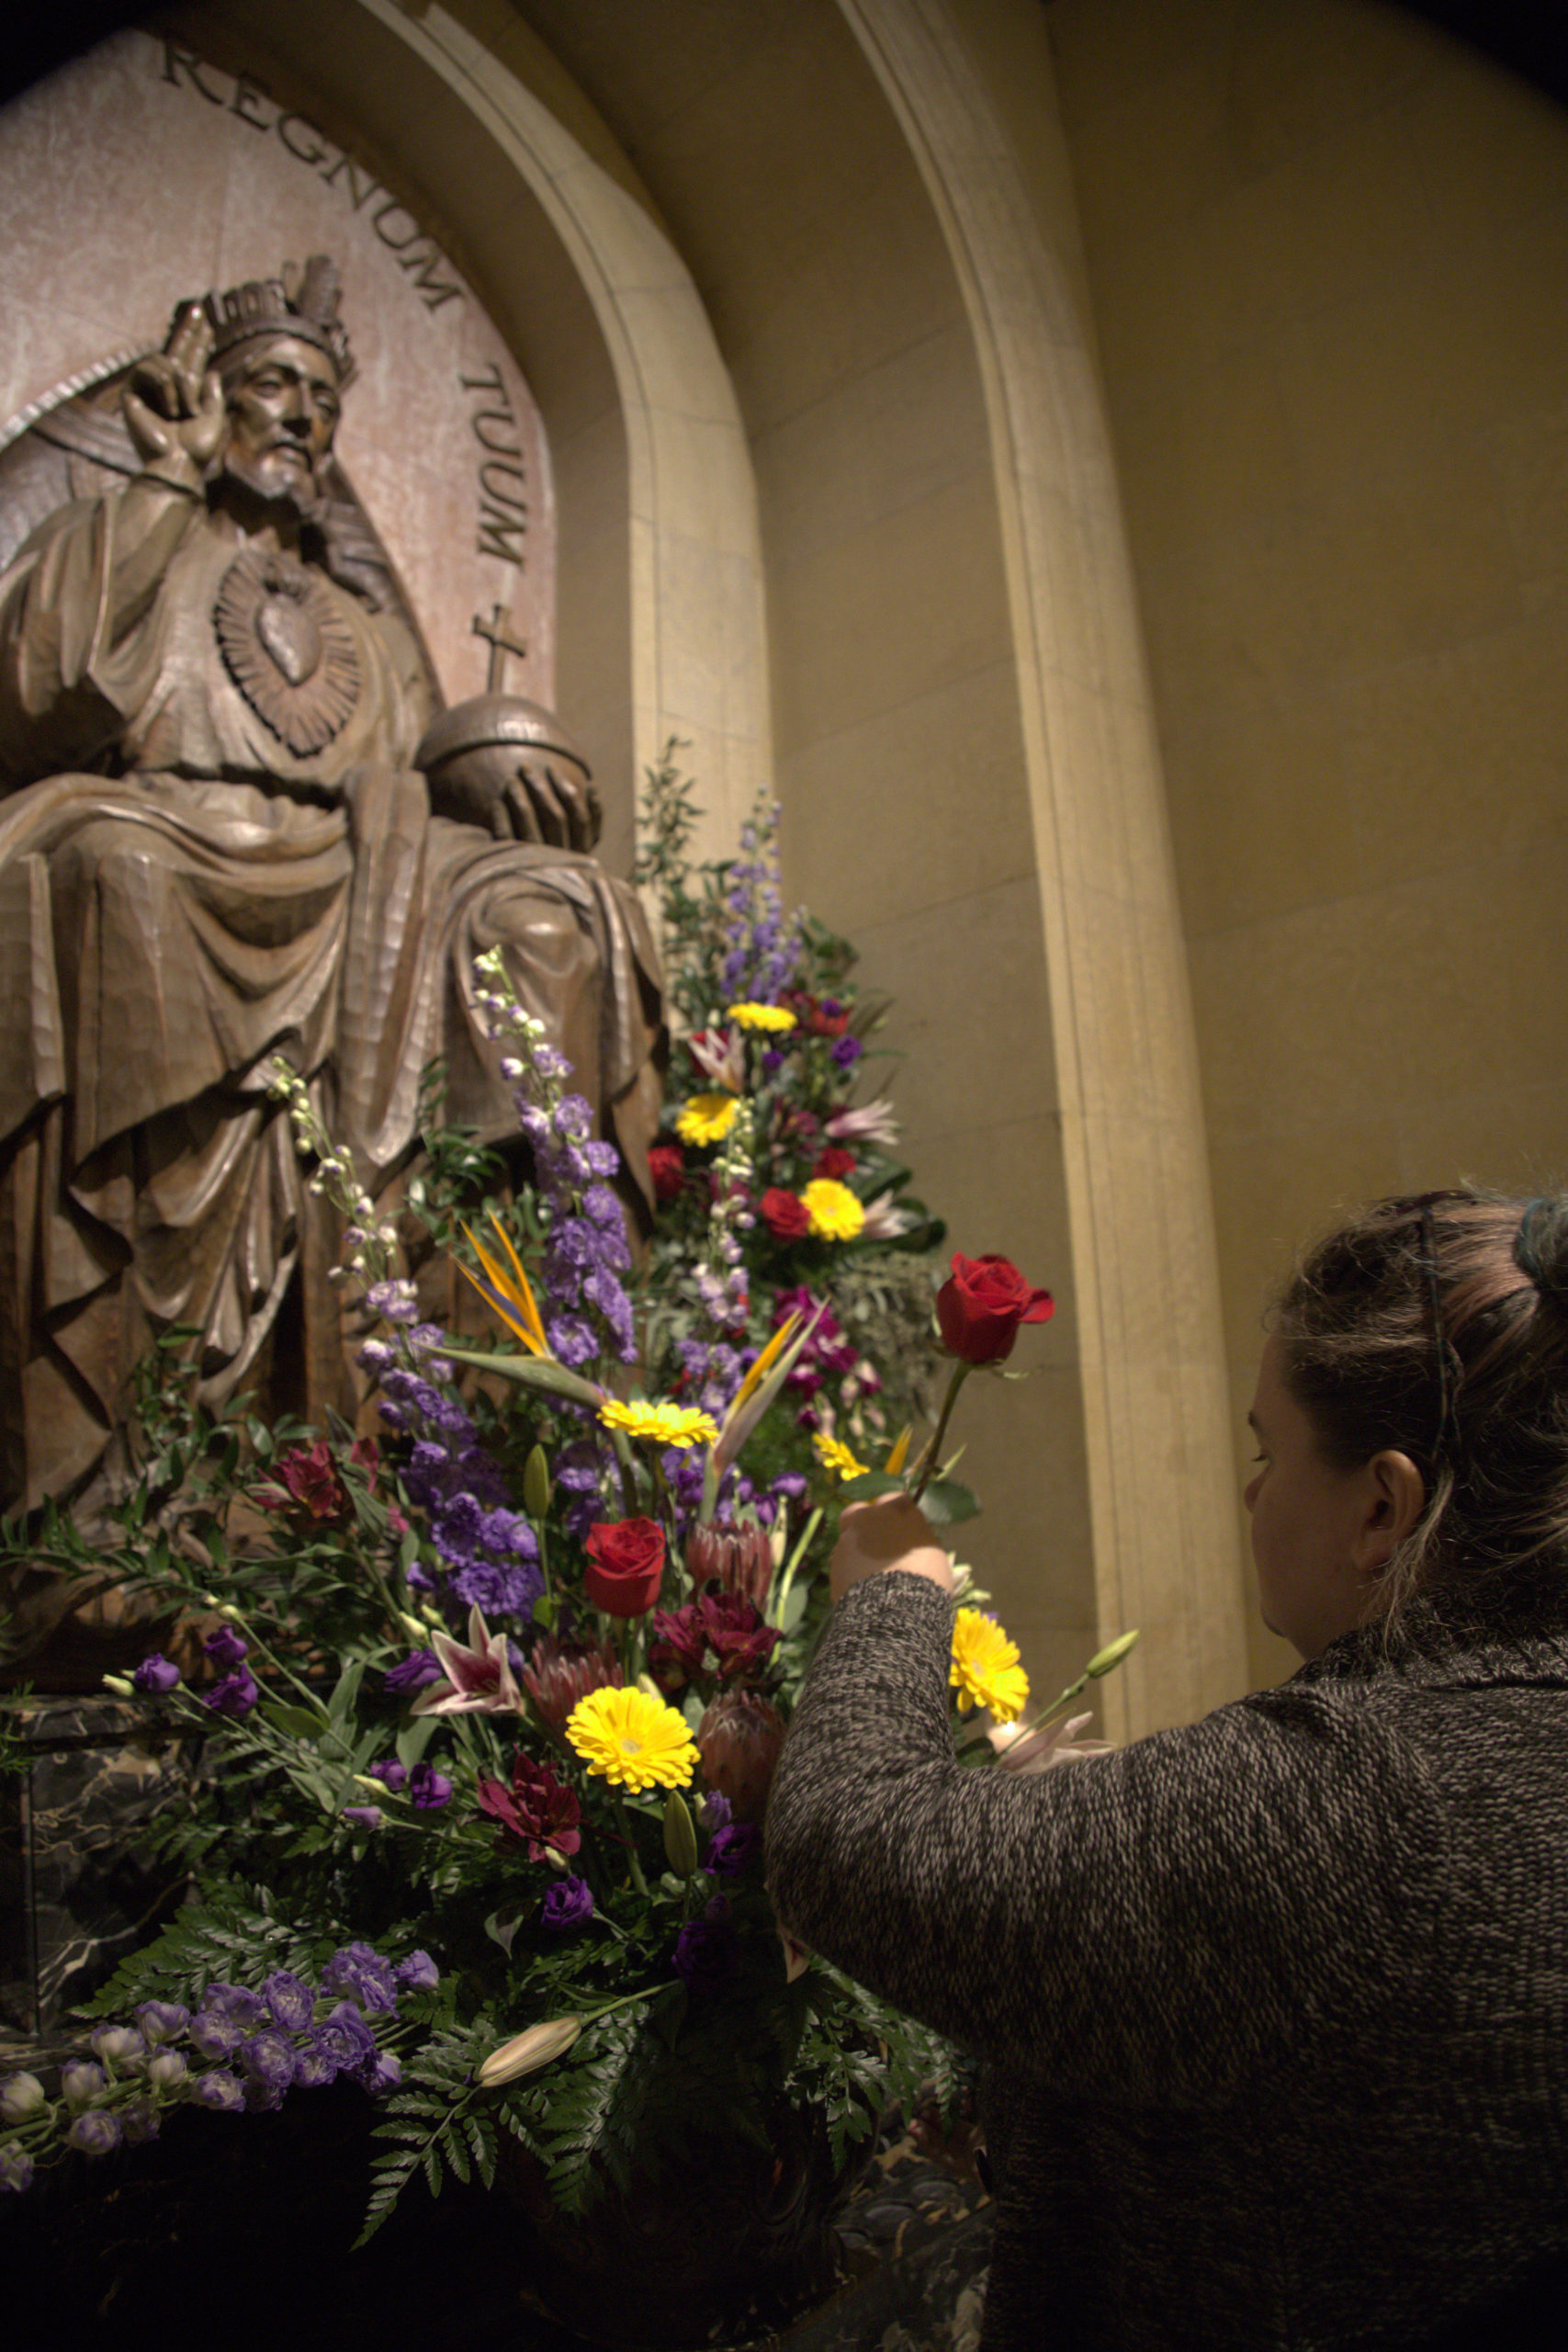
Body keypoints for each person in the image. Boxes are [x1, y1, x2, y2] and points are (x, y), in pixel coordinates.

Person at [766, 1189, 1568, 2350]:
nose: (1250, 1492)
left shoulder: (1360, 1800)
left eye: (1268, 1449)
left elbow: (847, 1840)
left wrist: (895, 1594)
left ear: (1382, 1508)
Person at [0, 258, 663, 1521]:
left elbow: (410, 800)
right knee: (111, 868)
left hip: (356, 894)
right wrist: (163, 473)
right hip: (171, 842)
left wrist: (508, 781)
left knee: (547, 916)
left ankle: (522, 1433)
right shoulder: (133, 532)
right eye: (268, 385)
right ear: (211, 396)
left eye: (318, 395)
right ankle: (120, 1483)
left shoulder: (361, 625)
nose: (298, 415)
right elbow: (41, 689)